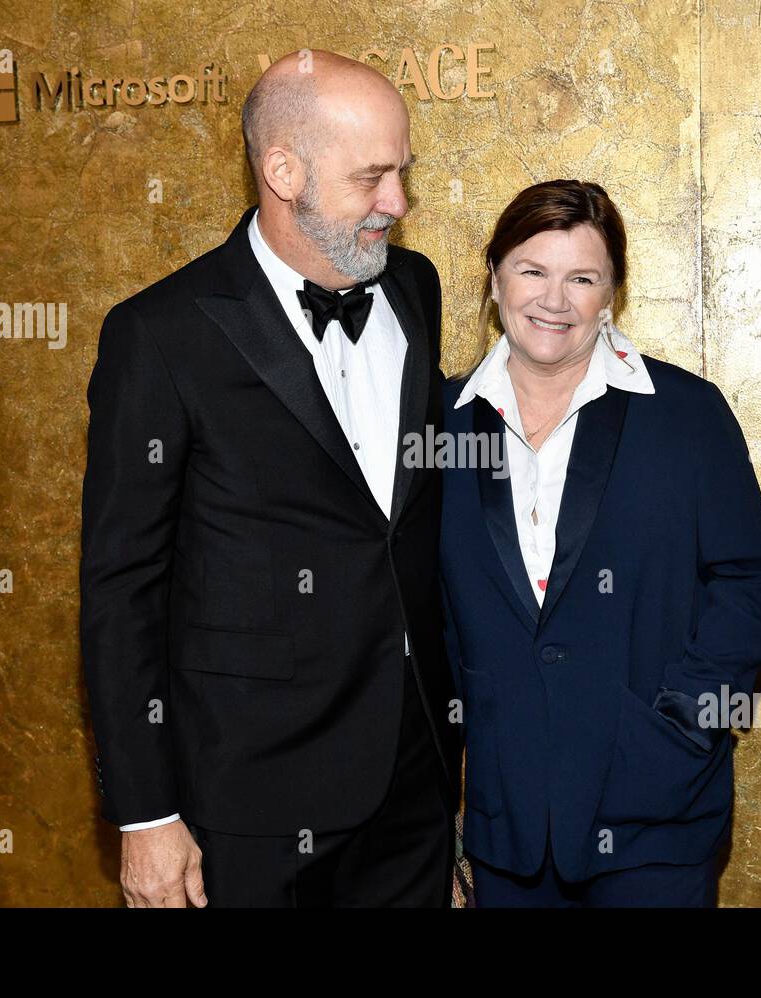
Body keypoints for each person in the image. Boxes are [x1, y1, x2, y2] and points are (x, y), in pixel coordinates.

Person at [79, 50, 459, 907]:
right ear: (282, 172)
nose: (397, 203)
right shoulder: (161, 335)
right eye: (372, 178)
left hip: (411, 782)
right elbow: (120, 590)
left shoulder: (414, 288)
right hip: (245, 805)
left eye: (403, 172)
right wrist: (144, 818)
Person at [439, 179, 761, 907]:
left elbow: (751, 587)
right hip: (505, 826)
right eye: (533, 270)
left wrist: (681, 726)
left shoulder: (686, 414)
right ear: (495, 276)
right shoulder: (439, 425)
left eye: (582, 278)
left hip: (653, 819)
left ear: (611, 295)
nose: (554, 300)